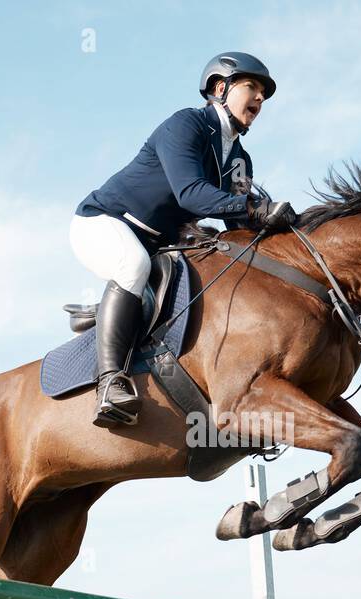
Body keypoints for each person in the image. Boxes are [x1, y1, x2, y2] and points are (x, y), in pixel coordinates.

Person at [71, 52, 298, 428]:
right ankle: (110, 382)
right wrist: (258, 207)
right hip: (104, 222)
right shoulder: (186, 125)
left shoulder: (240, 159)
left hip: (158, 243)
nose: (259, 98)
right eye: (251, 87)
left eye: (263, 93)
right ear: (219, 88)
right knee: (134, 266)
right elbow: (191, 195)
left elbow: (237, 224)